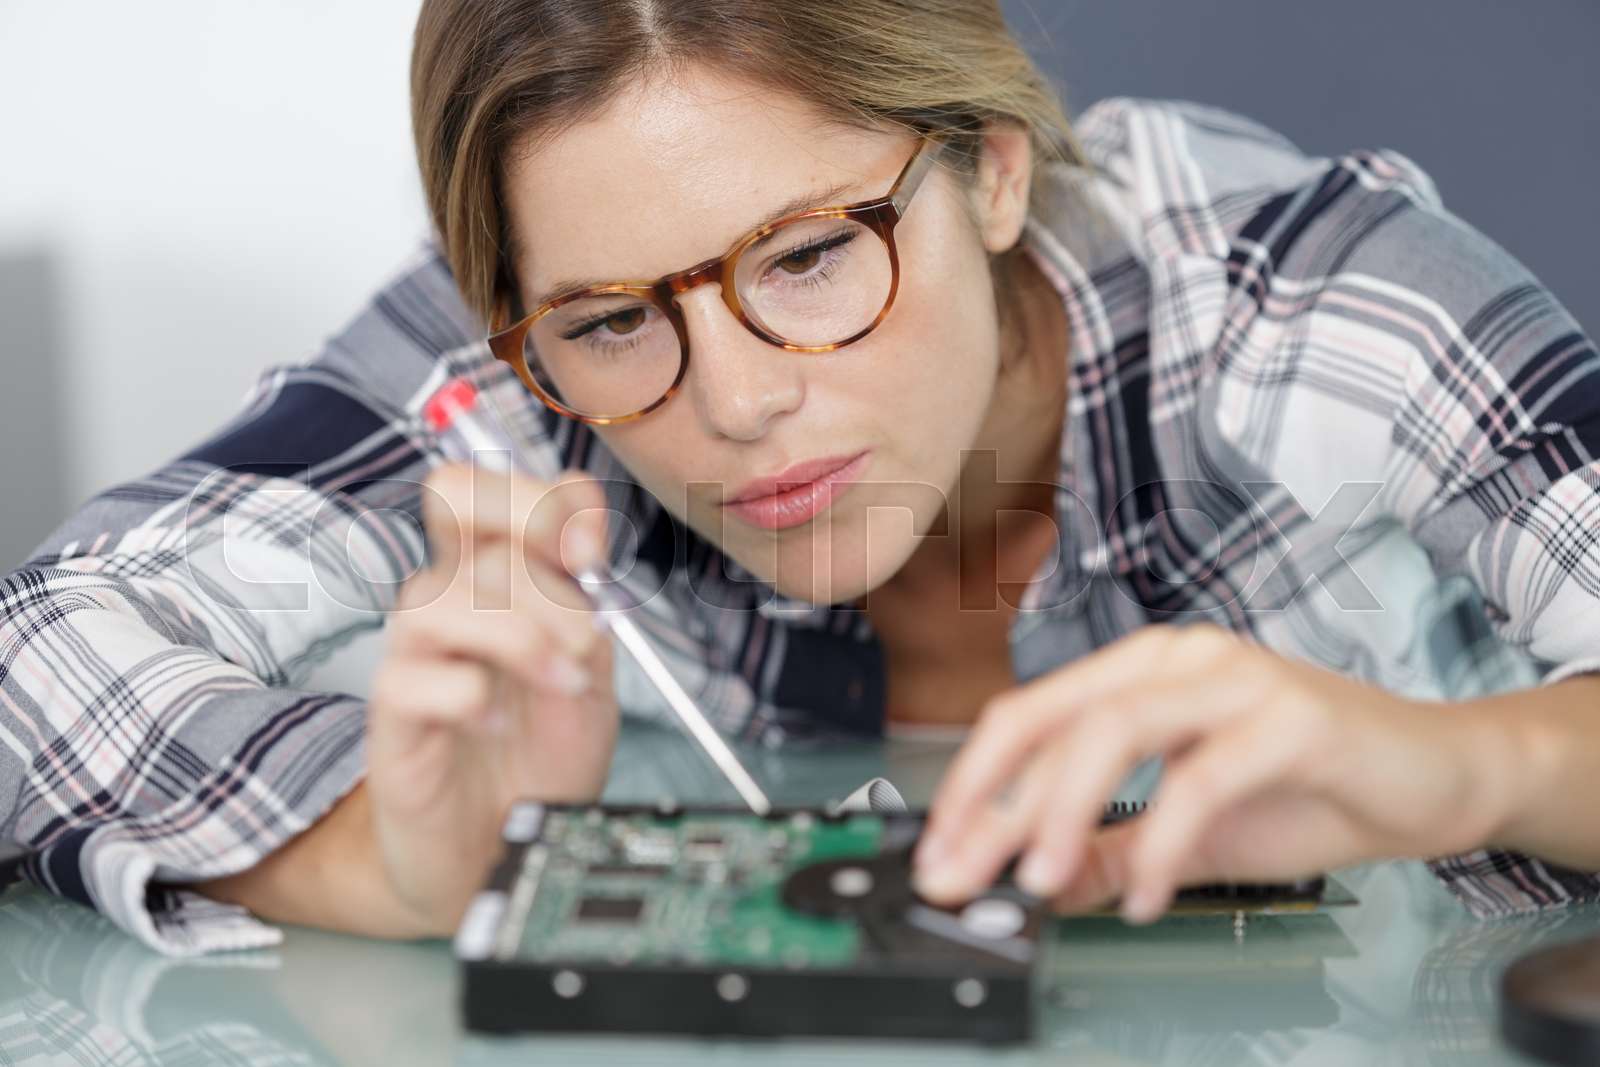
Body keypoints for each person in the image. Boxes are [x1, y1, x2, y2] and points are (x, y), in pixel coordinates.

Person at [3, 0, 1599, 956]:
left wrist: (1466, 765)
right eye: (621, 321)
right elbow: (37, 647)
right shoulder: (534, 350)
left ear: (986, 168)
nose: (746, 403)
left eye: (814, 255)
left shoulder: (1312, 304)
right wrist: (382, 861)